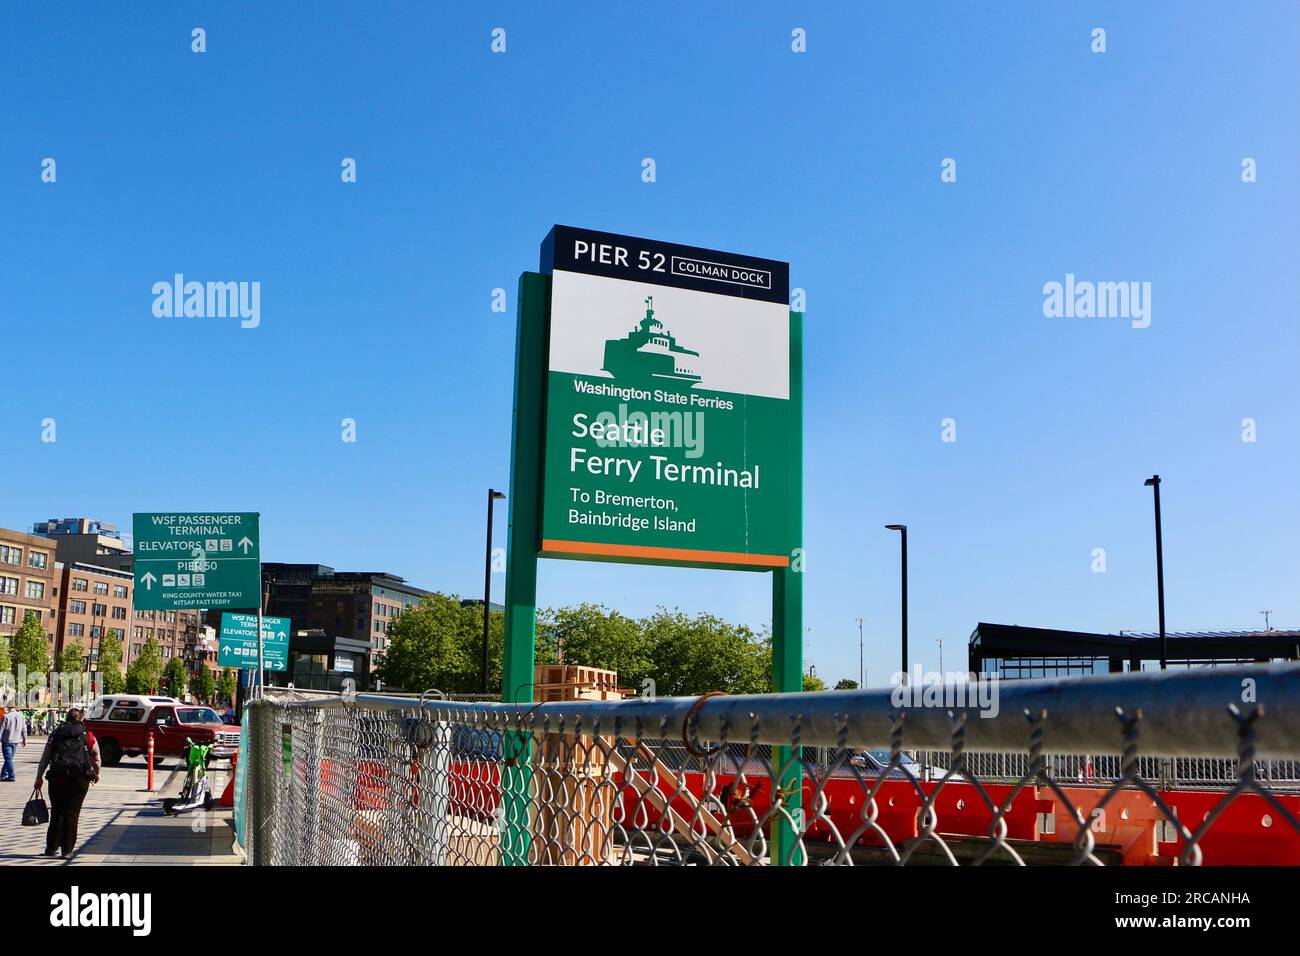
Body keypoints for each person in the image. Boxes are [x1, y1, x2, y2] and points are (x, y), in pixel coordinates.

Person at [33, 708, 100, 858]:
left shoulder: (56, 734)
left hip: (58, 776)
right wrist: (96, 773)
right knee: (72, 813)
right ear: (81, 719)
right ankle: (67, 850)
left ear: (66, 718)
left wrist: (39, 777)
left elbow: (45, 757)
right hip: (80, 778)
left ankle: (52, 847)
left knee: (57, 811)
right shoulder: (88, 735)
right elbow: (96, 755)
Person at [1, 706, 28, 781]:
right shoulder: (21, 716)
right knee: (9, 759)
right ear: (15, 708)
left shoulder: (5, 716)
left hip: (6, 740)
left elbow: (1, 729)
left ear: (9, 708)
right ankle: (3, 775)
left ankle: (11, 776)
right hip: (16, 740)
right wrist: (24, 739)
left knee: (8, 759)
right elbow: (23, 728)